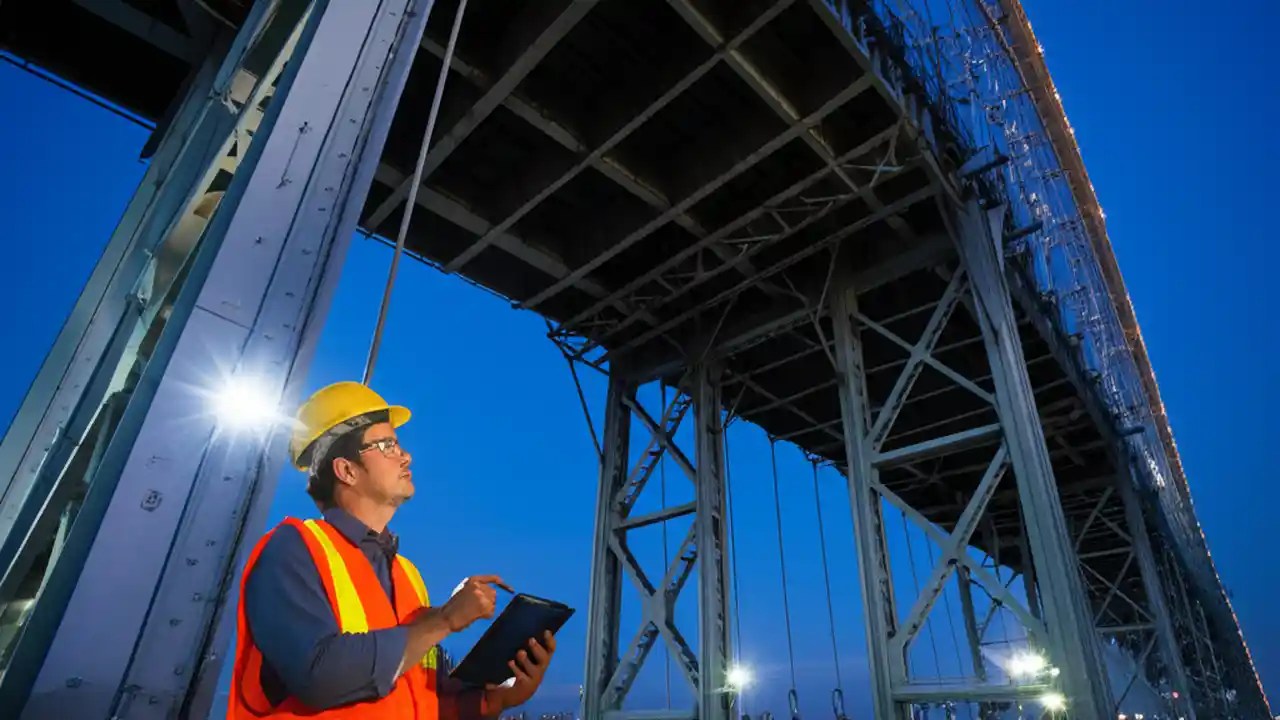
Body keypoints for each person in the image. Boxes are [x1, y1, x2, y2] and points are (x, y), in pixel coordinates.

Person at [227, 381, 556, 719]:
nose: (406, 455)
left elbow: (419, 701)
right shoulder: (294, 548)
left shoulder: (407, 575)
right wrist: (443, 620)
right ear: (347, 471)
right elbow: (318, 675)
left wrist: (496, 699)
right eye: (387, 445)